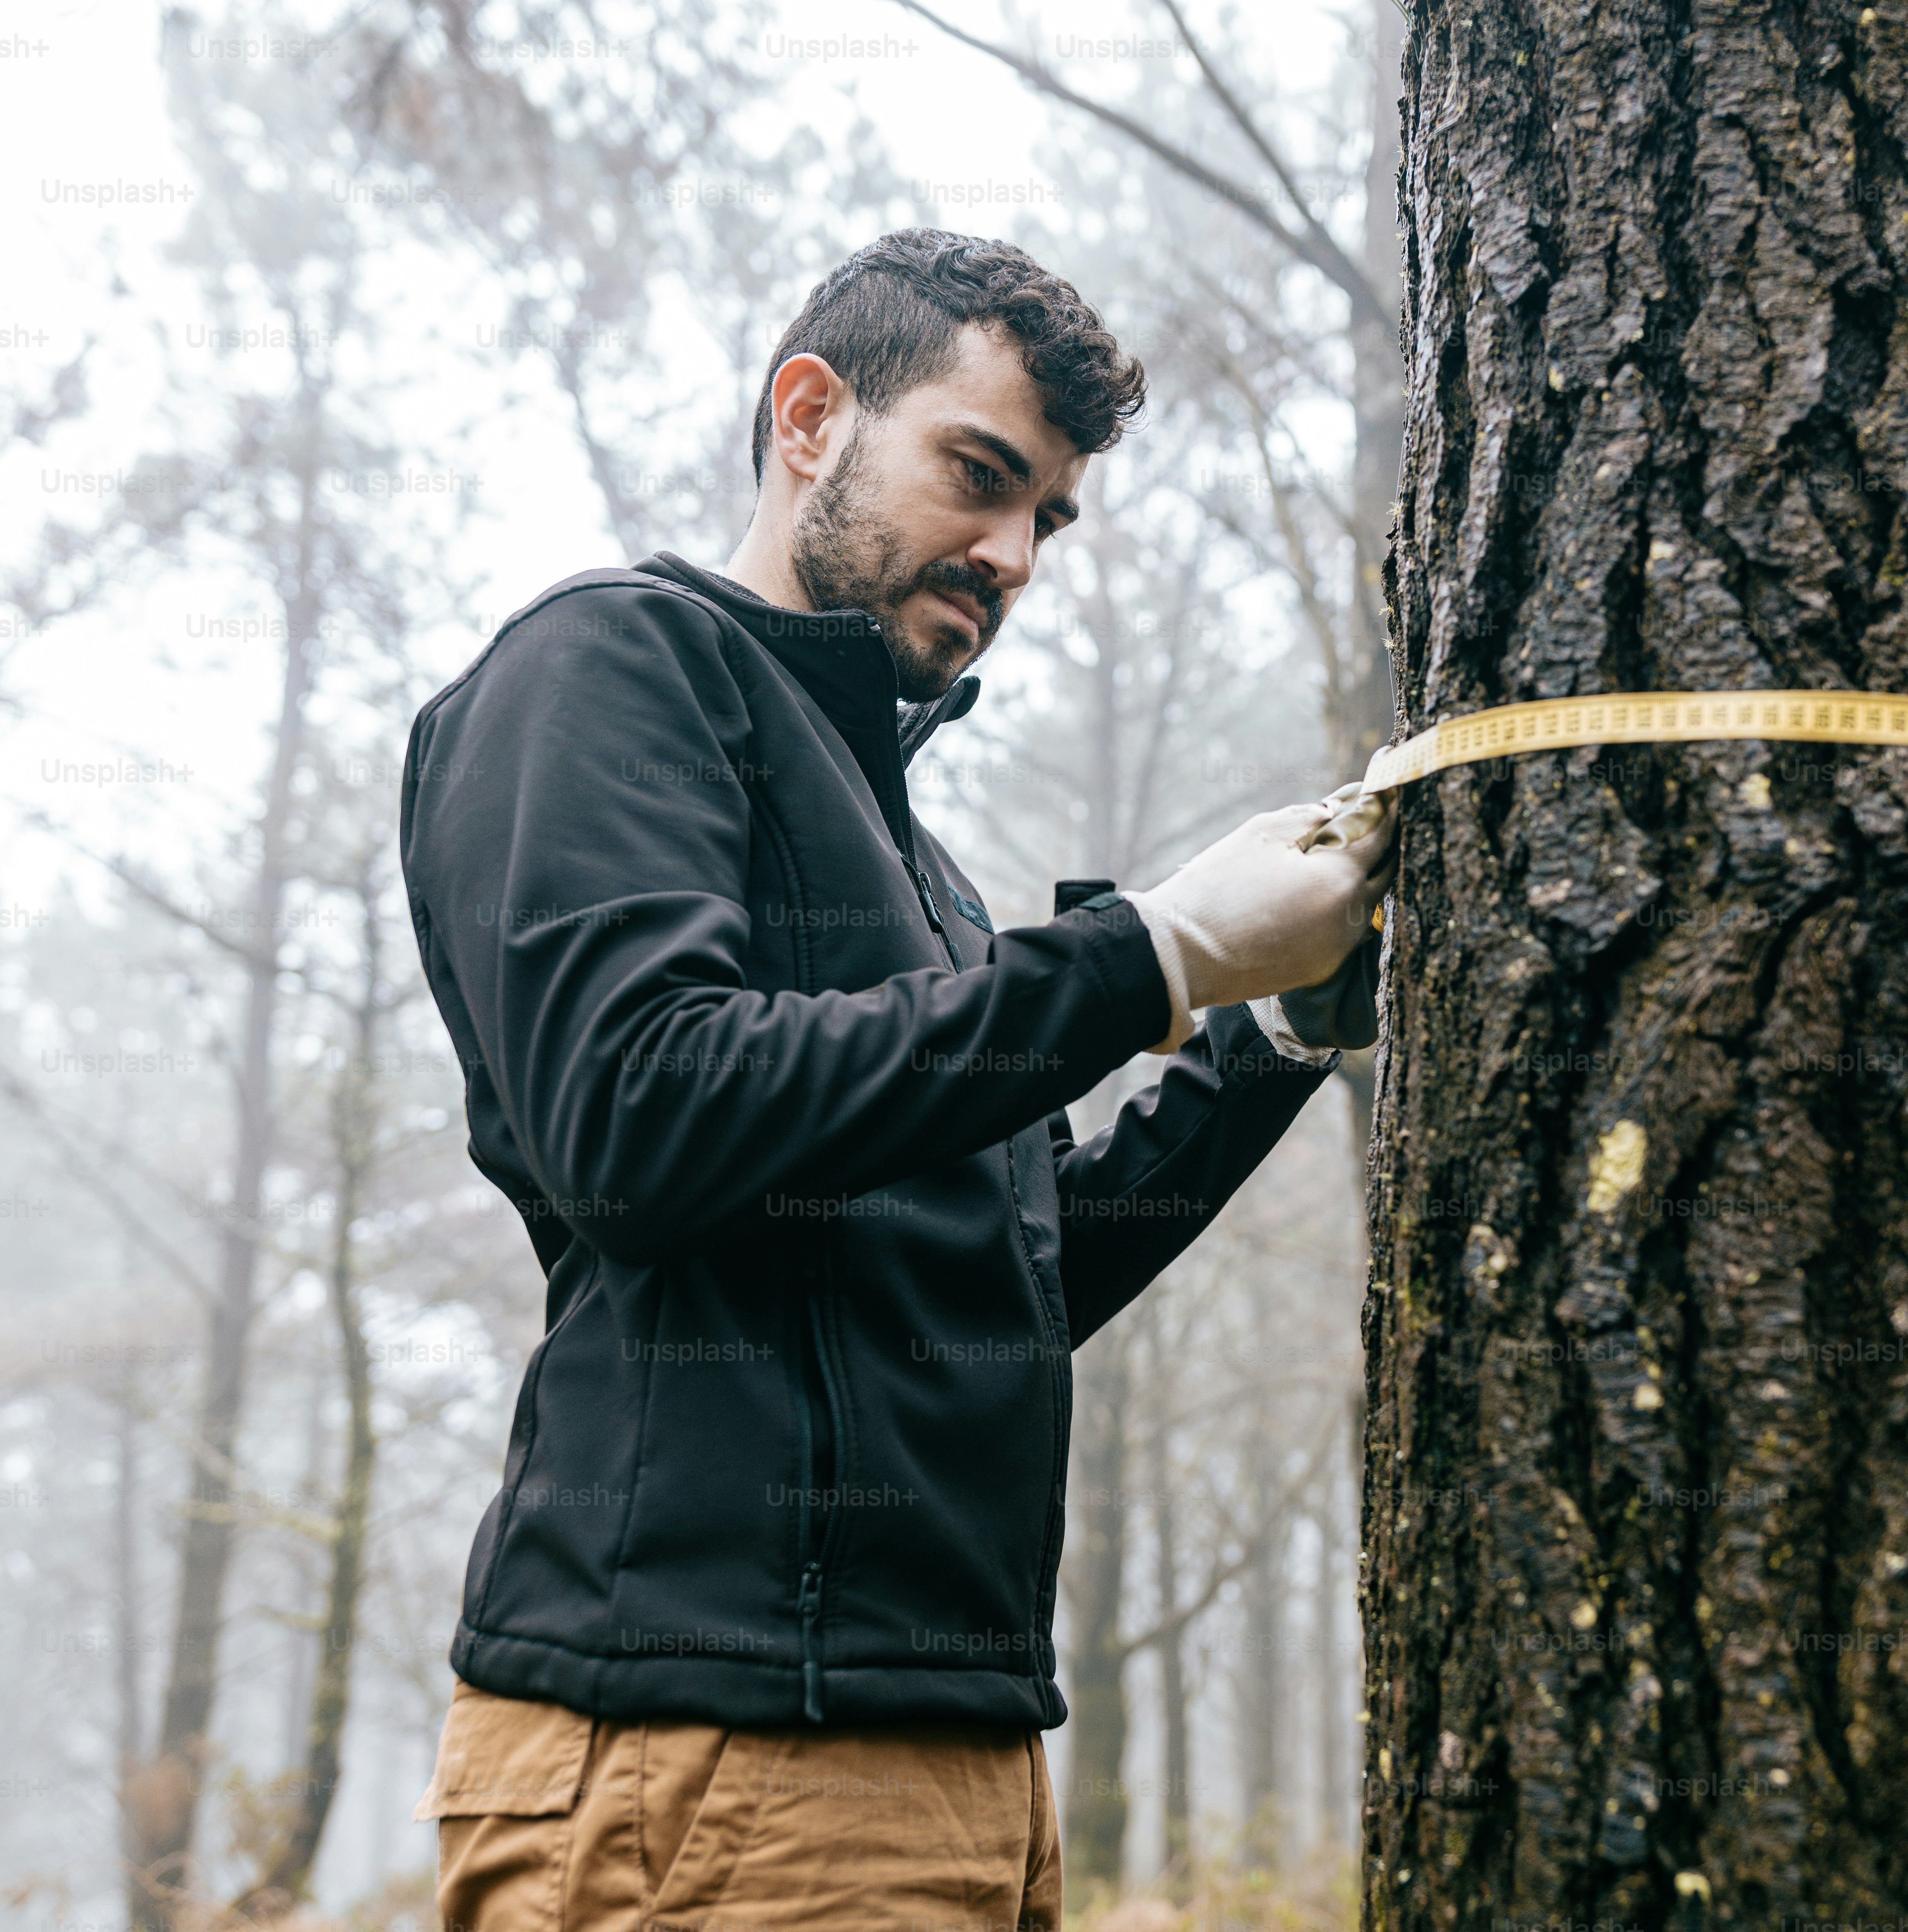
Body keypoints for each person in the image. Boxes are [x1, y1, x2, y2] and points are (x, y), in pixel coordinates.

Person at [398, 229, 1390, 1930]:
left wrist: (1268, 1028)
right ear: (809, 419)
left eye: (1048, 520)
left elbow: (994, 1284)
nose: (1011, 555)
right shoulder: (608, 668)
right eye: (980, 475)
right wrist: (1148, 956)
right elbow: (639, 1117)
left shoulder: (912, 863)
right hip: (704, 1765)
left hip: (961, 1759)